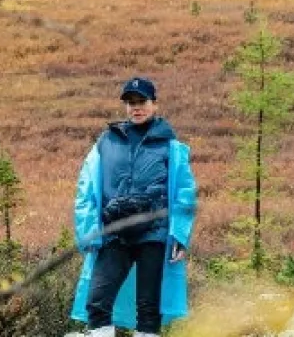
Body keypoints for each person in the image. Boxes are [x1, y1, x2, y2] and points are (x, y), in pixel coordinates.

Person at [70, 77, 198, 337]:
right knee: (97, 301)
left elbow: (185, 193)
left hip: (154, 233)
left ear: (154, 104)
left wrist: (180, 235)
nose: (136, 107)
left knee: (149, 307)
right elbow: (86, 188)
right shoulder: (106, 142)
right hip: (114, 231)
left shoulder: (171, 147)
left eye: (142, 101)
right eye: (131, 102)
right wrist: (88, 231)